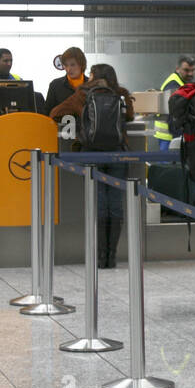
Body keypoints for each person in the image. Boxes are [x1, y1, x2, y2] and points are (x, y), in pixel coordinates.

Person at [50, 64, 134, 268]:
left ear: (94, 76)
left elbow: (55, 112)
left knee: (98, 202)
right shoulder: (121, 93)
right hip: (118, 153)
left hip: (93, 152)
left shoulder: (83, 93)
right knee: (115, 203)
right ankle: (111, 256)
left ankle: (99, 256)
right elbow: (130, 117)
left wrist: (81, 123)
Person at [153, 55, 195, 149]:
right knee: (167, 163)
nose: (190, 74)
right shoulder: (173, 85)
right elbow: (174, 114)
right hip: (169, 136)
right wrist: (179, 135)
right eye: (186, 70)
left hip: (170, 135)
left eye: (192, 70)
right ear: (177, 69)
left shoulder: (182, 82)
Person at [45, 47, 88, 115]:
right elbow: (48, 113)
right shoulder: (55, 85)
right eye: (66, 65)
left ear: (81, 64)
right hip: (61, 125)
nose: (68, 69)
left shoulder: (92, 85)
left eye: (72, 65)